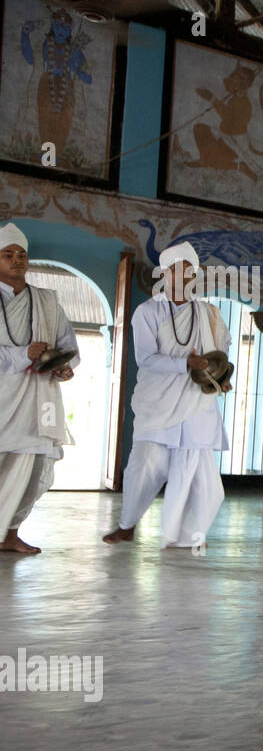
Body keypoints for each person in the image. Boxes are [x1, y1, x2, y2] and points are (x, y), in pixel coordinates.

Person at [103, 241, 230, 547]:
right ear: (165, 273)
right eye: (178, 268)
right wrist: (184, 363)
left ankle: (189, 534)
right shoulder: (147, 312)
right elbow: (145, 358)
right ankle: (127, 524)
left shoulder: (209, 313)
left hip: (197, 402)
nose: (185, 274)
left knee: (199, 475)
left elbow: (221, 352)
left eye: (190, 269)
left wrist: (220, 377)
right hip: (158, 403)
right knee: (145, 465)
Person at [0, 222, 78, 554]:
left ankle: (10, 534)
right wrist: (23, 354)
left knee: (30, 472)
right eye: (8, 255)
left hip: (38, 399)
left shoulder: (46, 300)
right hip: (4, 398)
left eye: (22, 255)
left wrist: (63, 367)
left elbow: (67, 344)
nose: (17, 260)